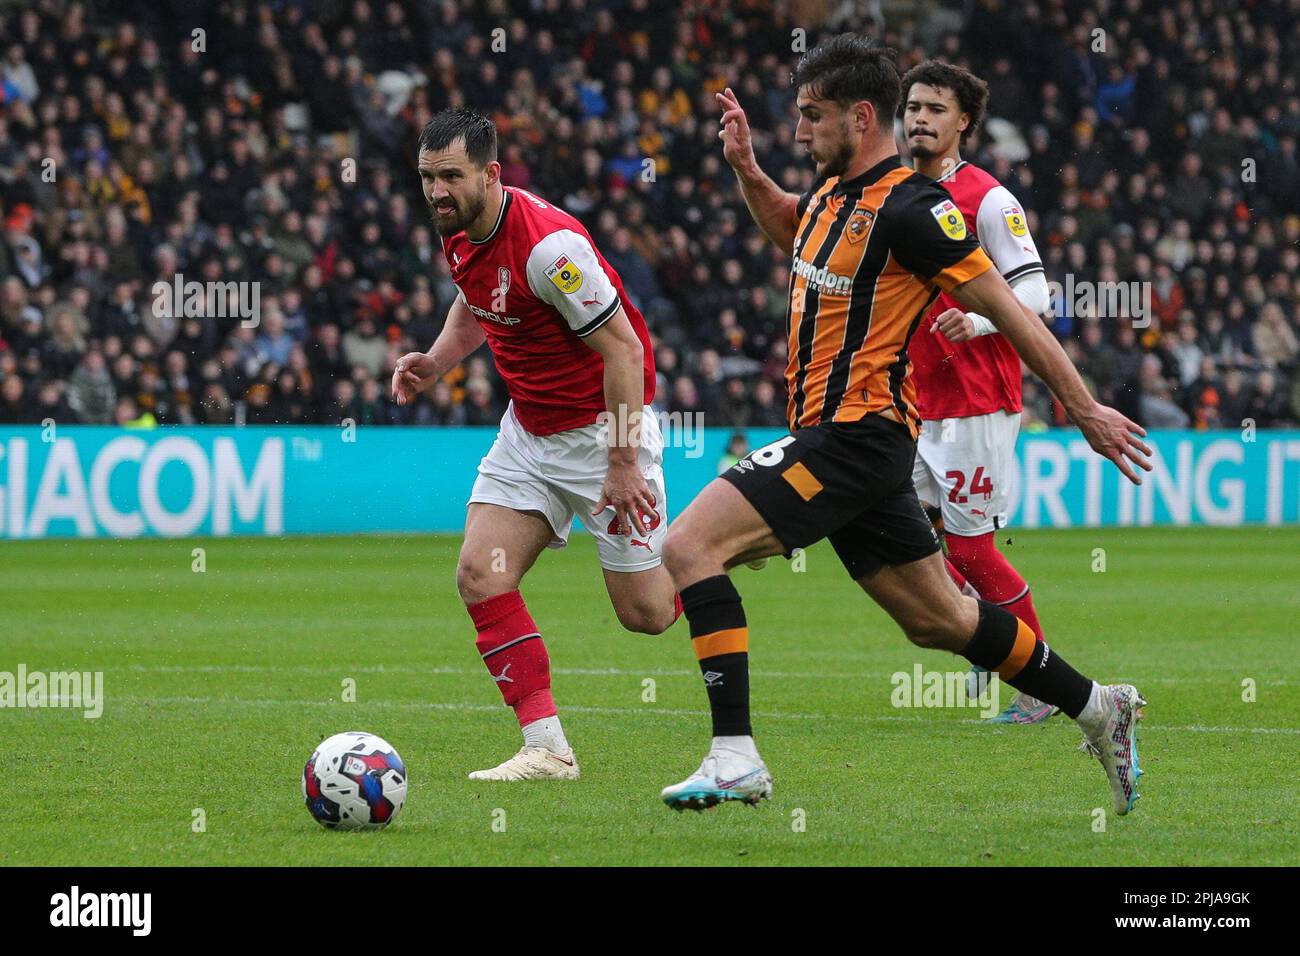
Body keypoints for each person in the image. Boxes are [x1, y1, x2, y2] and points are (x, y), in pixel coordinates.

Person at [659, 36, 1152, 817]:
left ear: (861, 117)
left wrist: (1082, 407)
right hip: (857, 446)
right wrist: (749, 173)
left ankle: (734, 756)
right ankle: (1098, 706)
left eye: (811, 117)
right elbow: (794, 237)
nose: (799, 132)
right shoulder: (826, 194)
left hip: (857, 435)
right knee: (941, 621)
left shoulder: (919, 210)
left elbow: (1011, 310)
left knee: (687, 546)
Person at [392, 108, 680, 781]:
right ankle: (548, 750)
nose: (437, 190)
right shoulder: (457, 225)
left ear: (491, 175)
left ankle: (711, 548)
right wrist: (438, 360)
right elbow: (477, 301)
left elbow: (626, 351)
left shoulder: (551, 250)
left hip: (599, 434)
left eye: (451, 176)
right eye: (428, 177)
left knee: (648, 615)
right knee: (479, 574)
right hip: (529, 434)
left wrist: (622, 462)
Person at [901, 60, 1058, 724]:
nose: (919, 119)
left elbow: (1037, 292)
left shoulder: (988, 199)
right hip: (914, 396)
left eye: (935, 109)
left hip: (977, 397)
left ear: (963, 121)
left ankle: (1039, 682)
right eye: (912, 107)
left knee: (970, 547)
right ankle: (983, 641)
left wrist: (982, 317)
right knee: (911, 532)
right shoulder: (897, 193)